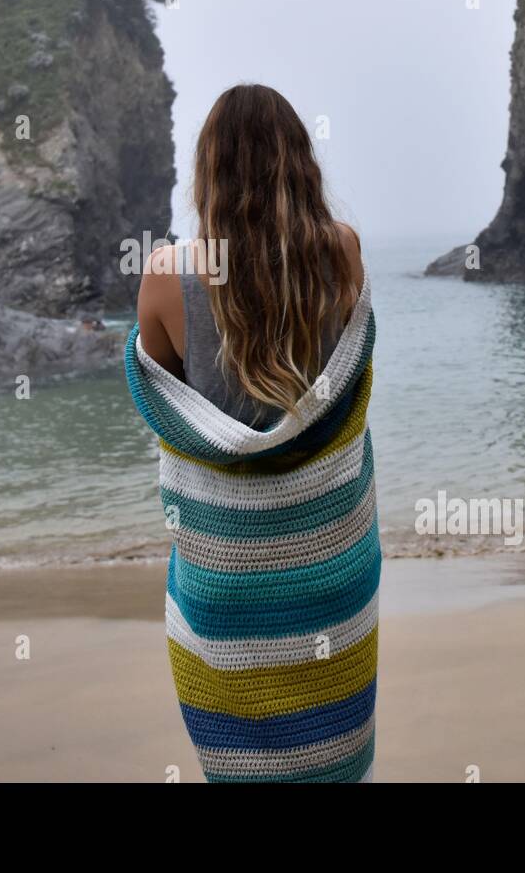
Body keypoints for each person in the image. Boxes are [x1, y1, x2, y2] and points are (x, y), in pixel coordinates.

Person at [127, 82, 379, 783]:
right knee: (335, 756)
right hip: (329, 560)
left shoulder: (166, 276)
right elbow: (349, 378)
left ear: (208, 169)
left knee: (241, 764)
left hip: (226, 575)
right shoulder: (343, 254)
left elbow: (174, 409)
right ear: (298, 162)